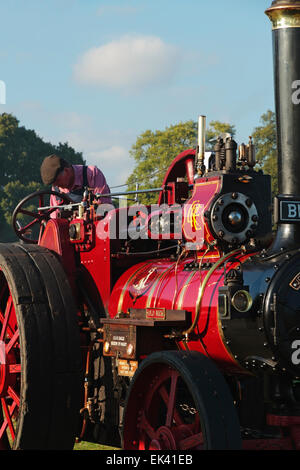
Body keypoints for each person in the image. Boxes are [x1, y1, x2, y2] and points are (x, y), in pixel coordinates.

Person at [40, 154, 112, 217]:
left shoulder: (91, 174)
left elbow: (104, 208)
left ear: (66, 171)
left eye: (58, 181)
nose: (57, 186)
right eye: (54, 184)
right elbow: (54, 220)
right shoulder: (55, 189)